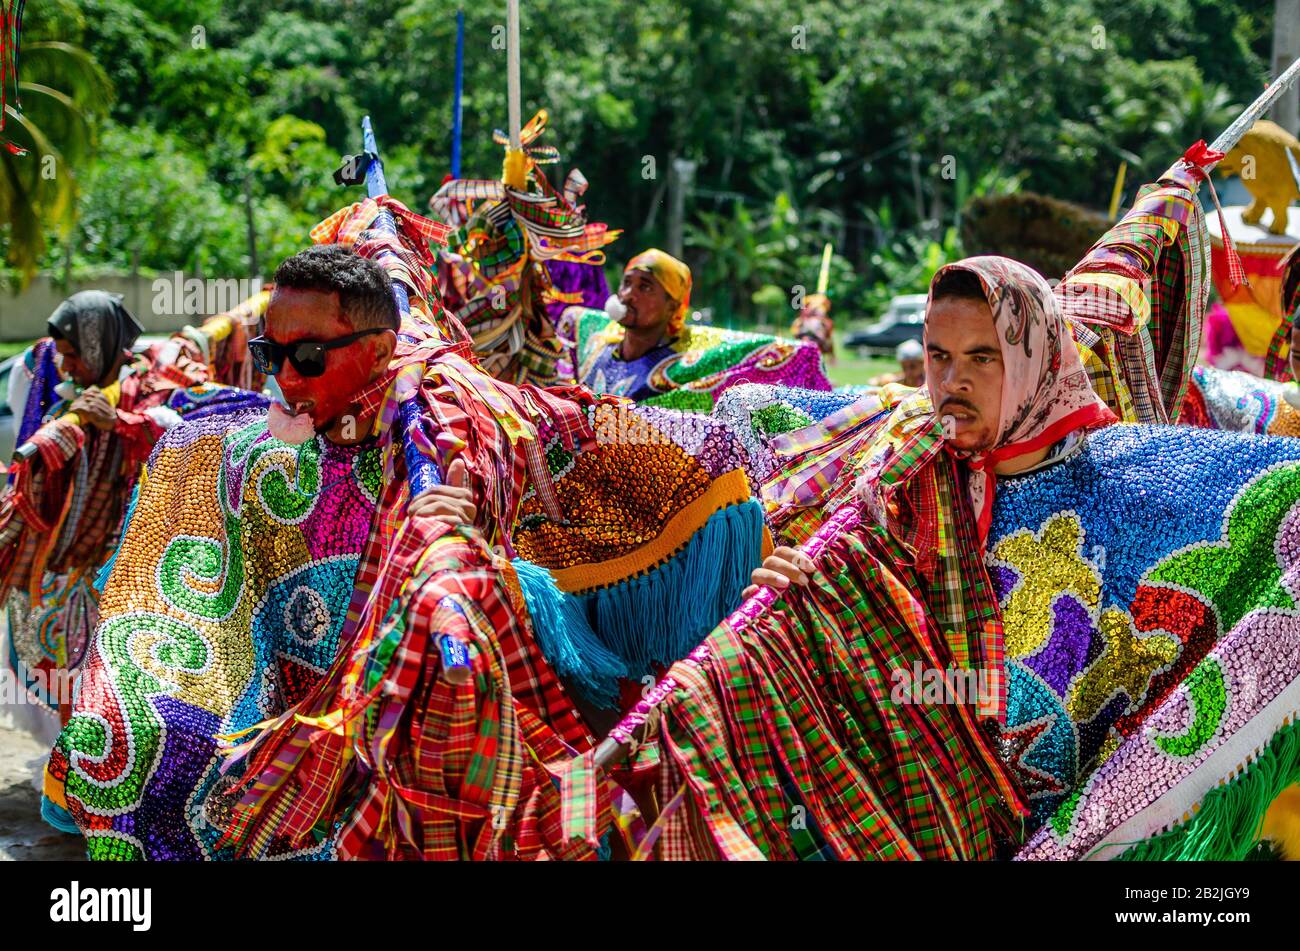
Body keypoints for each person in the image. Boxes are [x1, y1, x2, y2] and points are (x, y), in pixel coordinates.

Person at [732, 253, 1300, 860]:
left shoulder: (1131, 476)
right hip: (900, 824)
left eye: (983, 357)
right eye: (938, 356)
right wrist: (800, 595)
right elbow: (741, 418)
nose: (953, 383)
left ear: (1035, 360)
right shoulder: (893, 475)